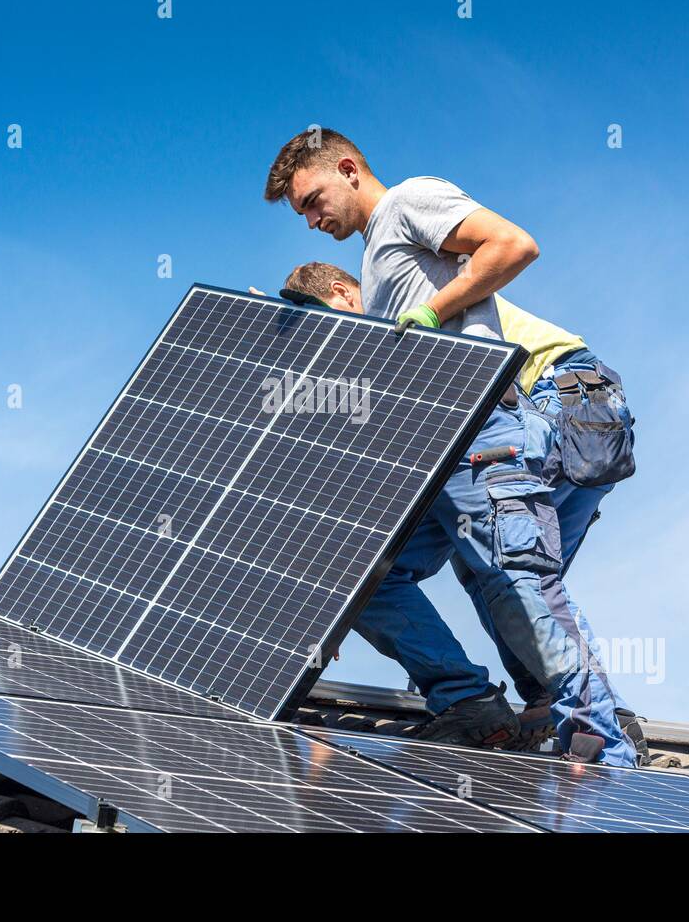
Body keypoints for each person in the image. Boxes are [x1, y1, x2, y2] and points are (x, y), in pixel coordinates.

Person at [264, 129, 636, 766]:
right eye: (301, 213)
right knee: (367, 579)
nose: (312, 219)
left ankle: (599, 744)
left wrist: (435, 314)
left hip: (510, 420)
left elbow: (514, 244)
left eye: (313, 200)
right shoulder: (378, 269)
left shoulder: (408, 202)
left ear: (349, 169)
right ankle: (471, 703)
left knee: (512, 579)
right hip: (449, 452)